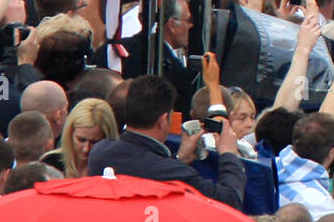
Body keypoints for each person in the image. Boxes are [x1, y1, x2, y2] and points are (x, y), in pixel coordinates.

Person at [87, 74, 247, 210]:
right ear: (164, 120)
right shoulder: (173, 173)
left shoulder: (100, 152)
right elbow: (228, 201)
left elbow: (144, 166)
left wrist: (179, 159)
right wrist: (228, 153)